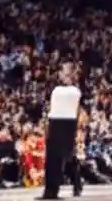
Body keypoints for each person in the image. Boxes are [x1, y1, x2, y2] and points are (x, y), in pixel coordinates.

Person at [39, 64, 82, 199]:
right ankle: (50, 189)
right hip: (56, 120)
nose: (61, 74)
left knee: (63, 157)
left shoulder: (75, 90)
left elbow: (77, 108)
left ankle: (56, 188)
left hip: (67, 122)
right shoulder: (55, 87)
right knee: (53, 158)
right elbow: (50, 106)